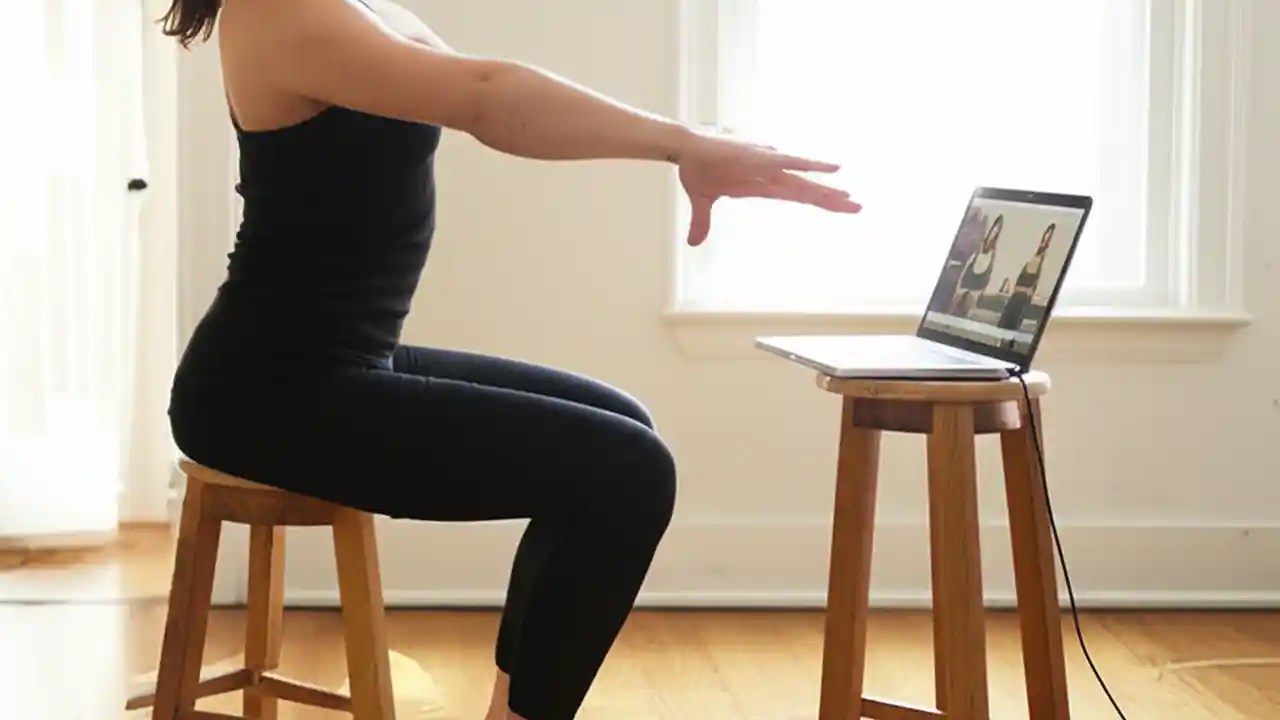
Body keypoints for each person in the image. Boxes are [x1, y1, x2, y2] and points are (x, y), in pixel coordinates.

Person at [159, 1, 861, 719]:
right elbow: (487, 97)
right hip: (267, 388)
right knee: (626, 472)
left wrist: (691, 143)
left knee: (622, 425)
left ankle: (511, 707)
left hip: (335, 360)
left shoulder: (354, 7)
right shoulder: (283, 9)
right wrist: (683, 144)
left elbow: (486, 92)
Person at [997, 222, 1055, 331]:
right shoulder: (1029, 263)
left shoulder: (1040, 266)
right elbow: (1017, 287)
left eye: (1049, 238)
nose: (1045, 241)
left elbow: (1030, 291)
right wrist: (1026, 290)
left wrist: (1027, 291)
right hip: (1015, 300)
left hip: (1022, 303)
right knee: (1006, 323)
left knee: (1013, 325)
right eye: (1046, 236)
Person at [948, 213, 1003, 316]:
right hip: (968, 279)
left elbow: (990, 269)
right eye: (993, 230)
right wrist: (960, 281)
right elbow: (969, 264)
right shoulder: (980, 247)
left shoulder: (993, 252)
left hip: (978, 283)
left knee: (967, 309)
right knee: (954, 306)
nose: (993, 233)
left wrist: (983, 288)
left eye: (997, 231)